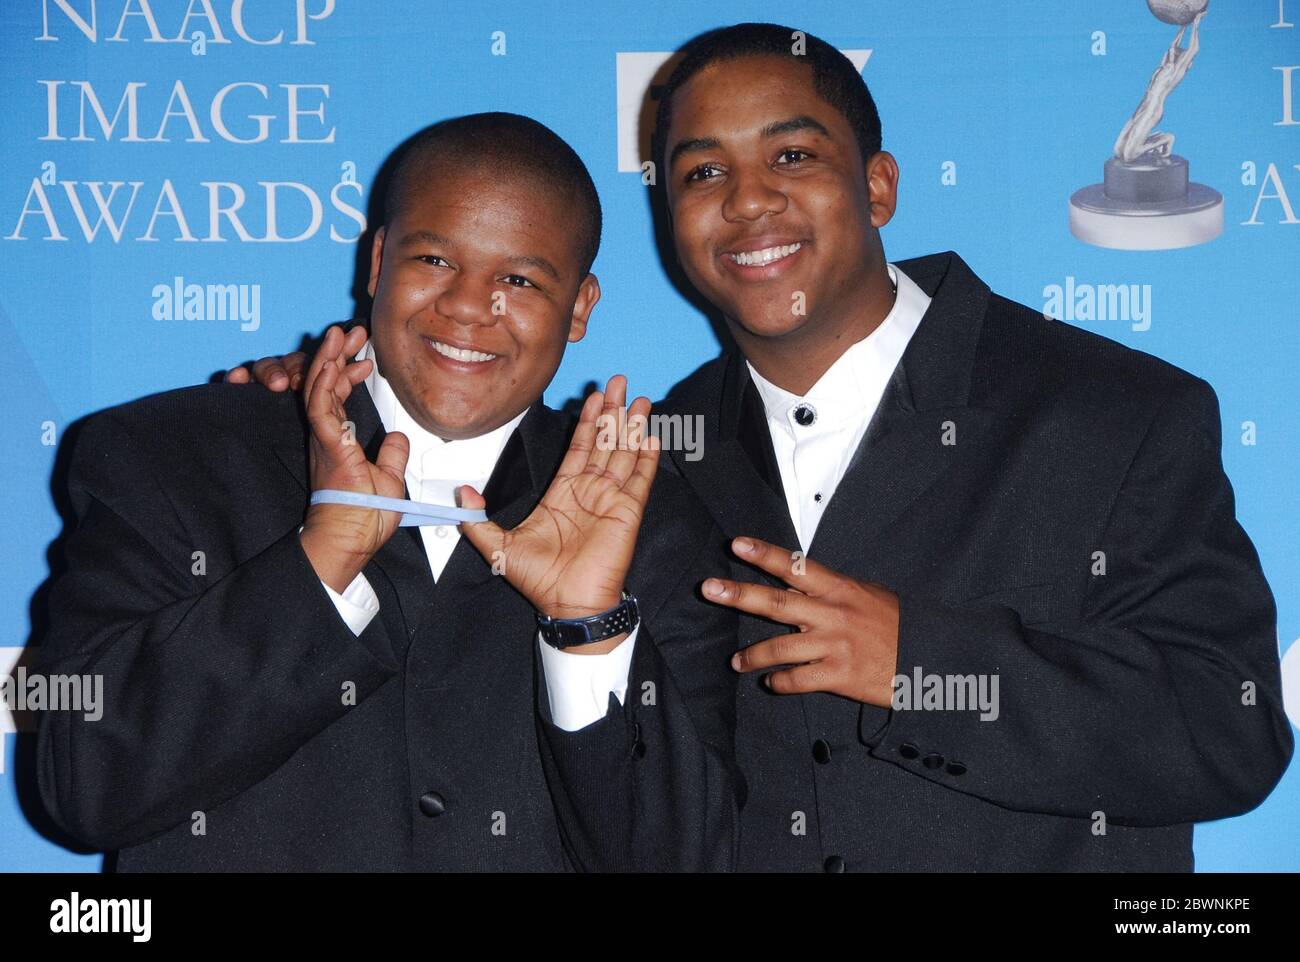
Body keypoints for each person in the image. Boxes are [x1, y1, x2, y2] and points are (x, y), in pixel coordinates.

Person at [227, 24, 1294, 872]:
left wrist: (919, 665)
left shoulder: (1109, 410)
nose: (746, 201)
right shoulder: (646, 455)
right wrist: (299, 408)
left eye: (792, 154)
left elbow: (1226, 728)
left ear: (876, 186)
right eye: (699, 174)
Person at [37, 113, 741, 872]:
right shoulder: (174, 458)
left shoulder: (655, 517)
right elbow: (83, 786)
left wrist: (588, 631)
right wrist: (317, 566)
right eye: (435, 258)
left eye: (519, 279)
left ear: (579, 307)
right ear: (377, 262)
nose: (470, 306)